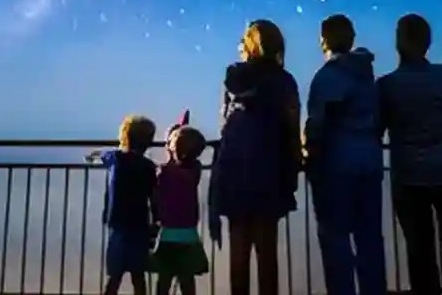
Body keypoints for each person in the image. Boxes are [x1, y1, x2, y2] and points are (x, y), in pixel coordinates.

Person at [377, 14, 442, 295]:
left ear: (399, 42)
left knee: (420, 256)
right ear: (427, 42)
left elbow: (375, 127)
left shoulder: (387, 86)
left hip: (410, 180)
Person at [208, 19, 302, 295]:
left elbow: (224, 125)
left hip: (235, 169)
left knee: (238, 248)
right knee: (266, 250)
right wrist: (295, 160)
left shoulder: (233, 79)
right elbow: (292, 126)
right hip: (271, 170)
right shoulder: (284, 81)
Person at [304, 14, 387, 295]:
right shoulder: (367, 77)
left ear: (323, 40)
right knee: (370, 239)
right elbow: (378, 120)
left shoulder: (327, 77)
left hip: (336, 165)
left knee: (336, 240)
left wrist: (310, 155)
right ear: (351, 38)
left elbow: (317, 124)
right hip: (370, 162)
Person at [87, 115, 159, 295]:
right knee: (138, 275)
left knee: (115, 275)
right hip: (139, 224)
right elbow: (154, 197)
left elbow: (99, 155)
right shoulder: (148, 166)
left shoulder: (116, 158)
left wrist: (91, 156)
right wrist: (156, 222)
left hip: (117, 223)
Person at [150, 110, 211, 295]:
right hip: (189, 234)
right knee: (187, 279)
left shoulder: (163, 173)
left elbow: (155, 195)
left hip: (168, 232)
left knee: (164, 278)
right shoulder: (195, 171)